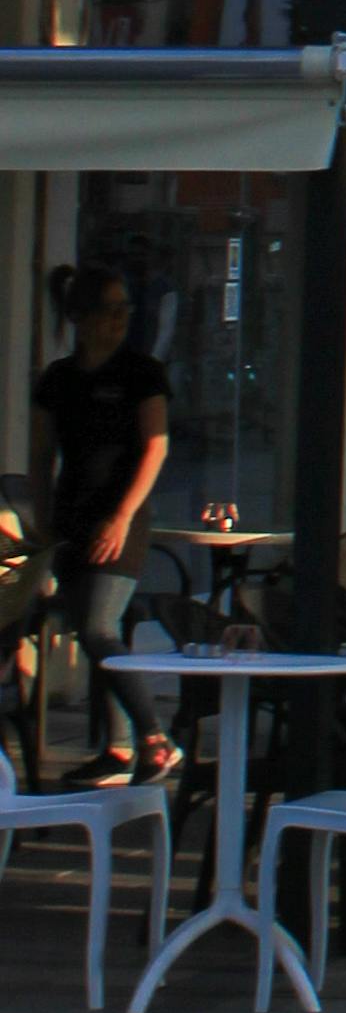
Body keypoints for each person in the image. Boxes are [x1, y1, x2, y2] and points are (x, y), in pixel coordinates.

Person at [30, 264, 173, 779]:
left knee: (98, 627)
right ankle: (117, 747)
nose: (118, 320)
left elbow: (155, 446)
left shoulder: (141, 373)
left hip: (122, 517)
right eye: (108, 311)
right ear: (80, 318)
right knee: (89, 627)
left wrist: (122, 515)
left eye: (123, 310)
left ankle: (155, 737)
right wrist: (41, 523)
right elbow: (41, 453)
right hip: (71, 516)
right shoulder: (58, 379)